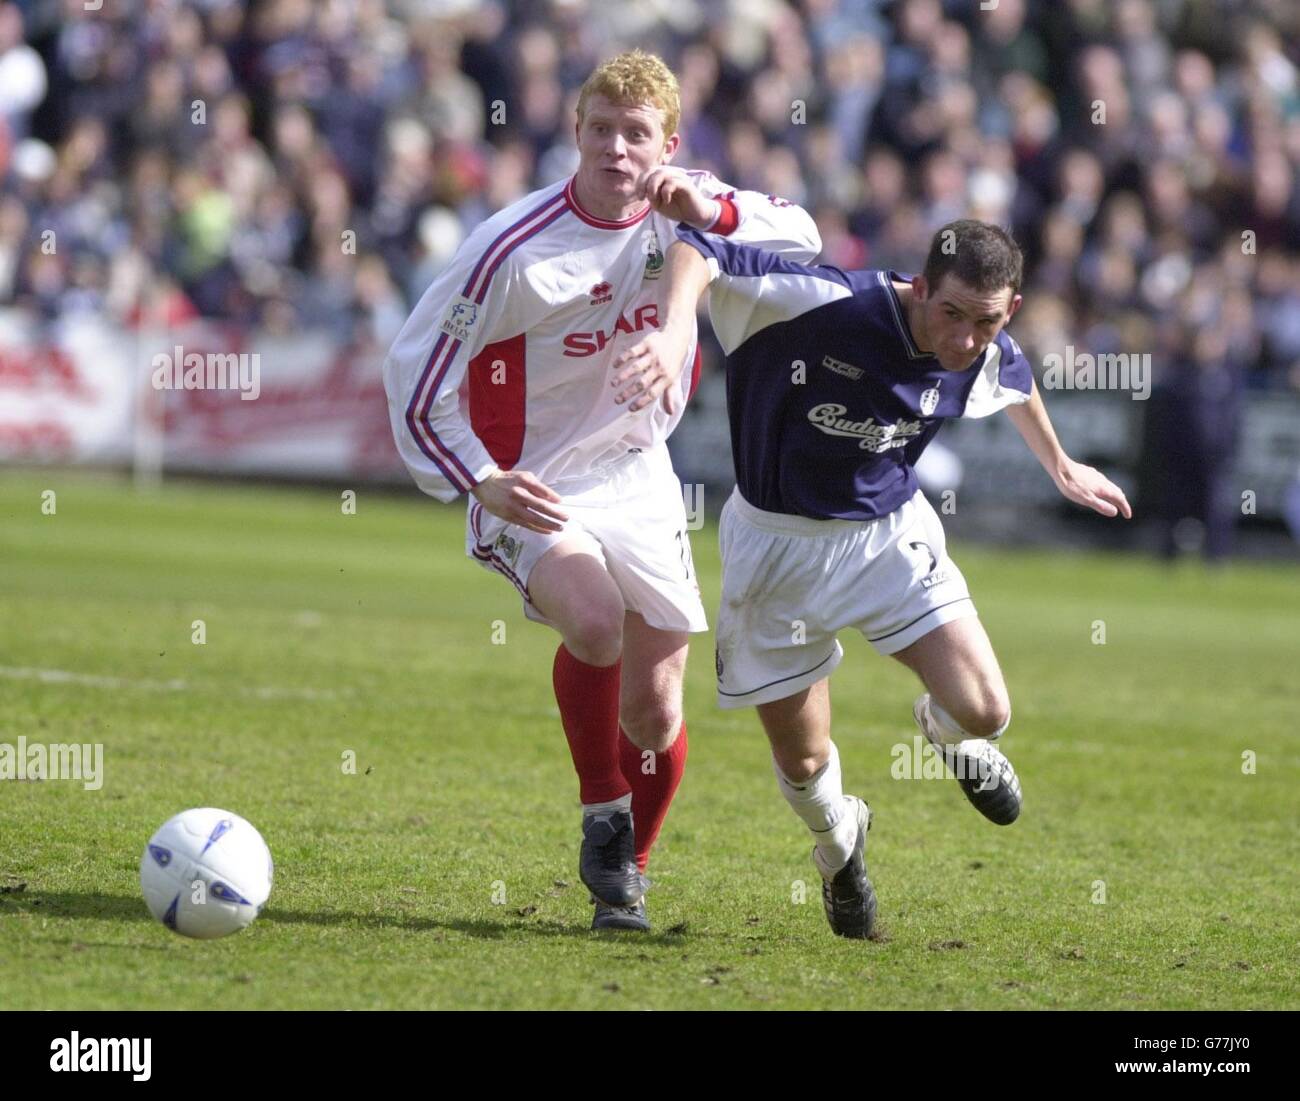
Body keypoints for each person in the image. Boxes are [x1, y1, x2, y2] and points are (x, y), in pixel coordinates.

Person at [382, 50, 821, 931]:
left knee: (658, 711)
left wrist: (716, 210)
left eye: (636, 134)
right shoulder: (509, 249)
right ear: (575, 132)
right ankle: (602, 814)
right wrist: (482, 480)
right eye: (599, 130)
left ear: (668, 143)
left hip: (638, 475)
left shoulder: (686, 208)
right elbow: (415, 370)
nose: (616, 149)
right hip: (533, 480)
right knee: (590, 616)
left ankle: (628, 875)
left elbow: (804, 240)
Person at [612, 219, 1131, 938]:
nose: (963, 339)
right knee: (802, 759)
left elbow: (1012, 375)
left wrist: (1062, 466)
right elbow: (699, 246)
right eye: (950, 313)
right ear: (919, 287)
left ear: (1007, 311)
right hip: (776, 551)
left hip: (888, 538)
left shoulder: (983, 347)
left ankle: (946, 734)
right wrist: (675, 331)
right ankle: (838, 845)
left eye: (985, 321)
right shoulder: (817, 302)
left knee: (985, 710)